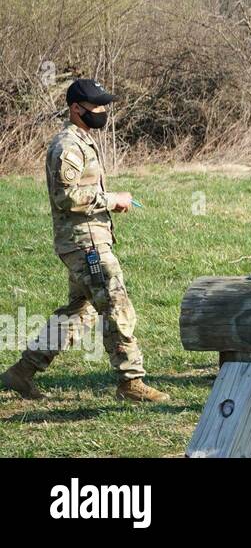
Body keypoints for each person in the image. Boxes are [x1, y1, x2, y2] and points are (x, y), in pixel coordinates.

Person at [0, 79, 168, 402]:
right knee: (116, 303)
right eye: (97, 106)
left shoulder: (82, 140)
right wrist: (111, 199)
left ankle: (21, 372)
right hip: (85, 245)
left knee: (81, 312)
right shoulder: (67, 146)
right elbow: (66, 197)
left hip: (85, 241)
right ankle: (130, 381)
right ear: (76, 109)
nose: (103, 111)